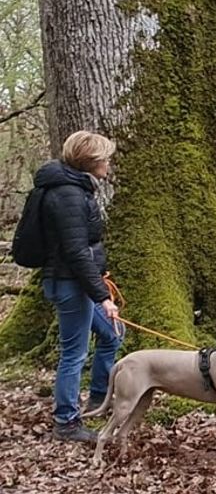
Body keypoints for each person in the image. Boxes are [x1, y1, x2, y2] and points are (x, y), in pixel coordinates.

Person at [38, 130, 123, 442]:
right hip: (70, 285)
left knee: (113, 335)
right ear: (91, 161)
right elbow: (76, 252)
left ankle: (100, 397)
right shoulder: (68, 195)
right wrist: (103, 297)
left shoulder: (76, 189)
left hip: (78, 283)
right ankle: (66, 421)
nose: (109, 164)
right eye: (105, 159)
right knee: (74, 353)